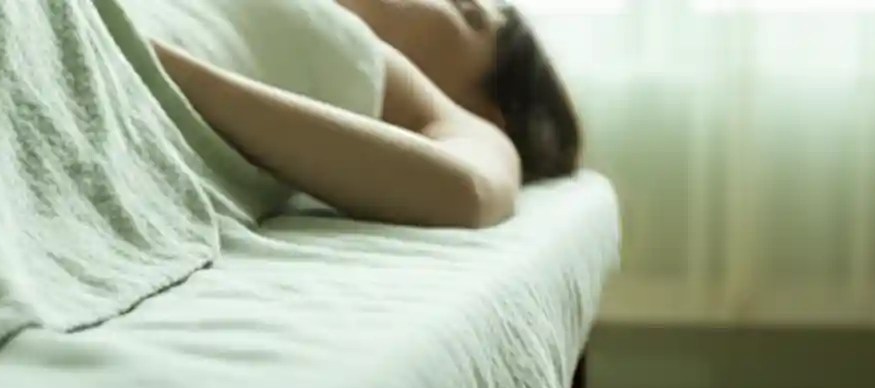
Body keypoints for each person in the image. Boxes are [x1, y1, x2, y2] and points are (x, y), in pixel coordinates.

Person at [151, 0, 580, 228]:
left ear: (487, 110)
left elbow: (470, 191)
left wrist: (156, 65)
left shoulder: (450, 116)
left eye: (466, 11)